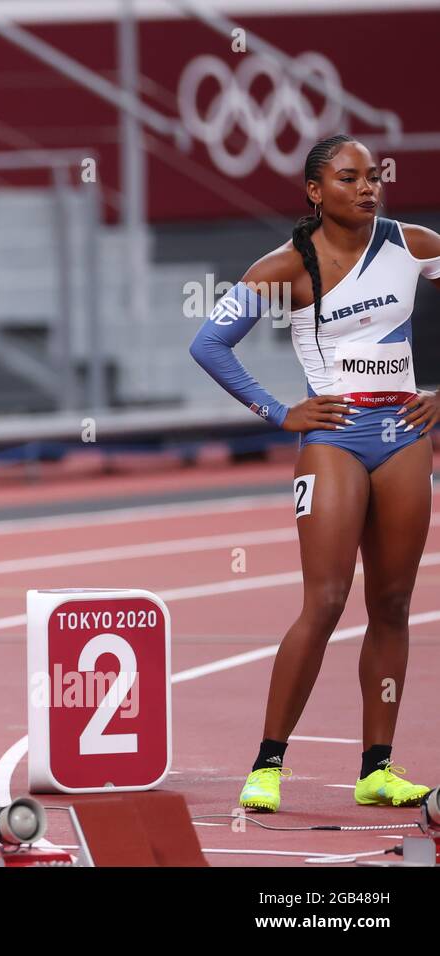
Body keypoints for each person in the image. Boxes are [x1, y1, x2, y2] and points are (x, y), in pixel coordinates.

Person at [189, 134, 440, 812]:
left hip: (406, 437)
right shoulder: (287, 266)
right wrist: (278, 412)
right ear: (315, 191)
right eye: (350, 177)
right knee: (325, 600)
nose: (368, 187)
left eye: (374, 176)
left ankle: (377, 769)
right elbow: (209, 343)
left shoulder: (414, 245)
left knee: (391, 606)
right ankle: (268, 763)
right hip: (334, 438)